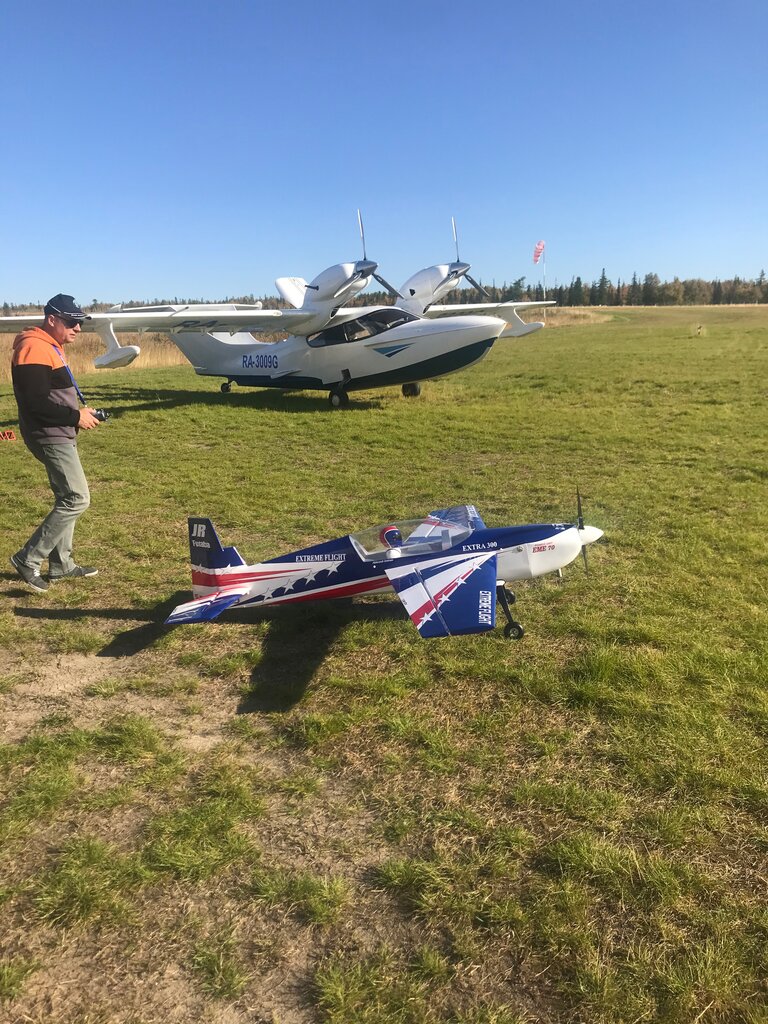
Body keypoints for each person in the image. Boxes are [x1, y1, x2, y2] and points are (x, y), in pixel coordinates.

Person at [10, 294, 101, 593]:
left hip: (59, 431)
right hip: (50, 434)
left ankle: (62, 565)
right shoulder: (33, 347)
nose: (78, 328)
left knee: (67, 497)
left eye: (79, 323)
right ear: (52, 319)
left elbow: (50, 396)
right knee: (76, 498)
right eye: (72, 322)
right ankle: (27, 558)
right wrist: (75, 416)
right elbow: (34, 404)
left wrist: (79, 414)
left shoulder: (50, 346)